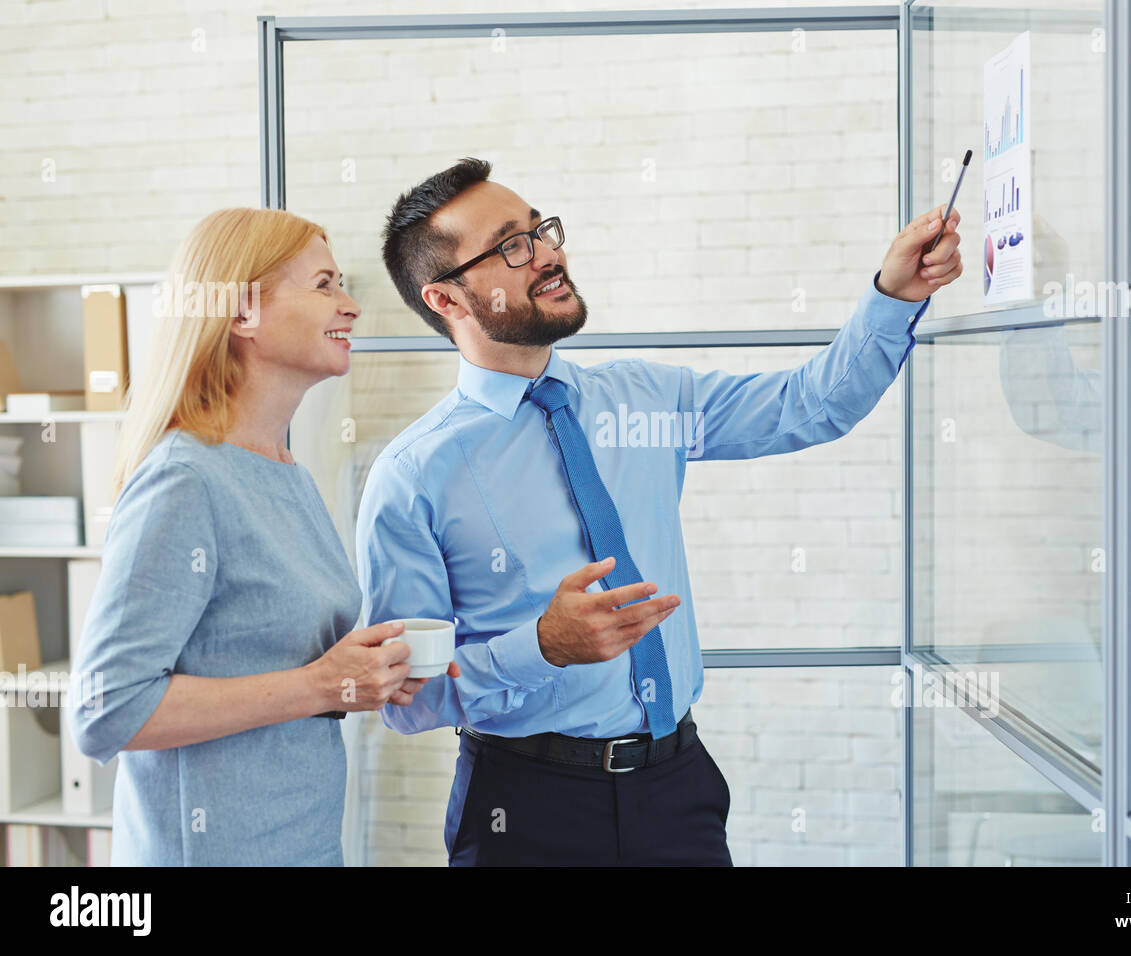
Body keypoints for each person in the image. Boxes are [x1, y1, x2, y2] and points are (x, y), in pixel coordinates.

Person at [358, 157, 962, 865]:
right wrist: (540, 647)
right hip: (523, 810)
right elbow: (407, 695)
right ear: (446, 300)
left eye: (540, 231)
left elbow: (813, 406)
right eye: (511, 246)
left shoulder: (644, 400)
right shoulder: (414, 476)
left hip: (679, 793)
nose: (548, 254)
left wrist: (893, 293)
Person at [70, 207, 454, 866]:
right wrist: (322, 685)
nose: (352, 306)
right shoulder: (185, 478)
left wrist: (362, 677)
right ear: (243, 312)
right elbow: (107, 709)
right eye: (325, 284)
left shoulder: (288, 474)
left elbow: (271, 660)